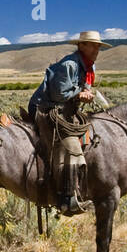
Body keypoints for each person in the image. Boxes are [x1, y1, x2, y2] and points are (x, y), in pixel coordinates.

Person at [27, 30, 107, 214]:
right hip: (46, 107)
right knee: (68, 142)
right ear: (81, 46)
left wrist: (85, 94)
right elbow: (58, 95)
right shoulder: (69, 64)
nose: (97, 49)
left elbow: (83, 88)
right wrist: (80, 95)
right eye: (93, 45)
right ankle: (66, 197)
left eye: (98, 46)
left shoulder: (88, 67)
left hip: (66, 107)